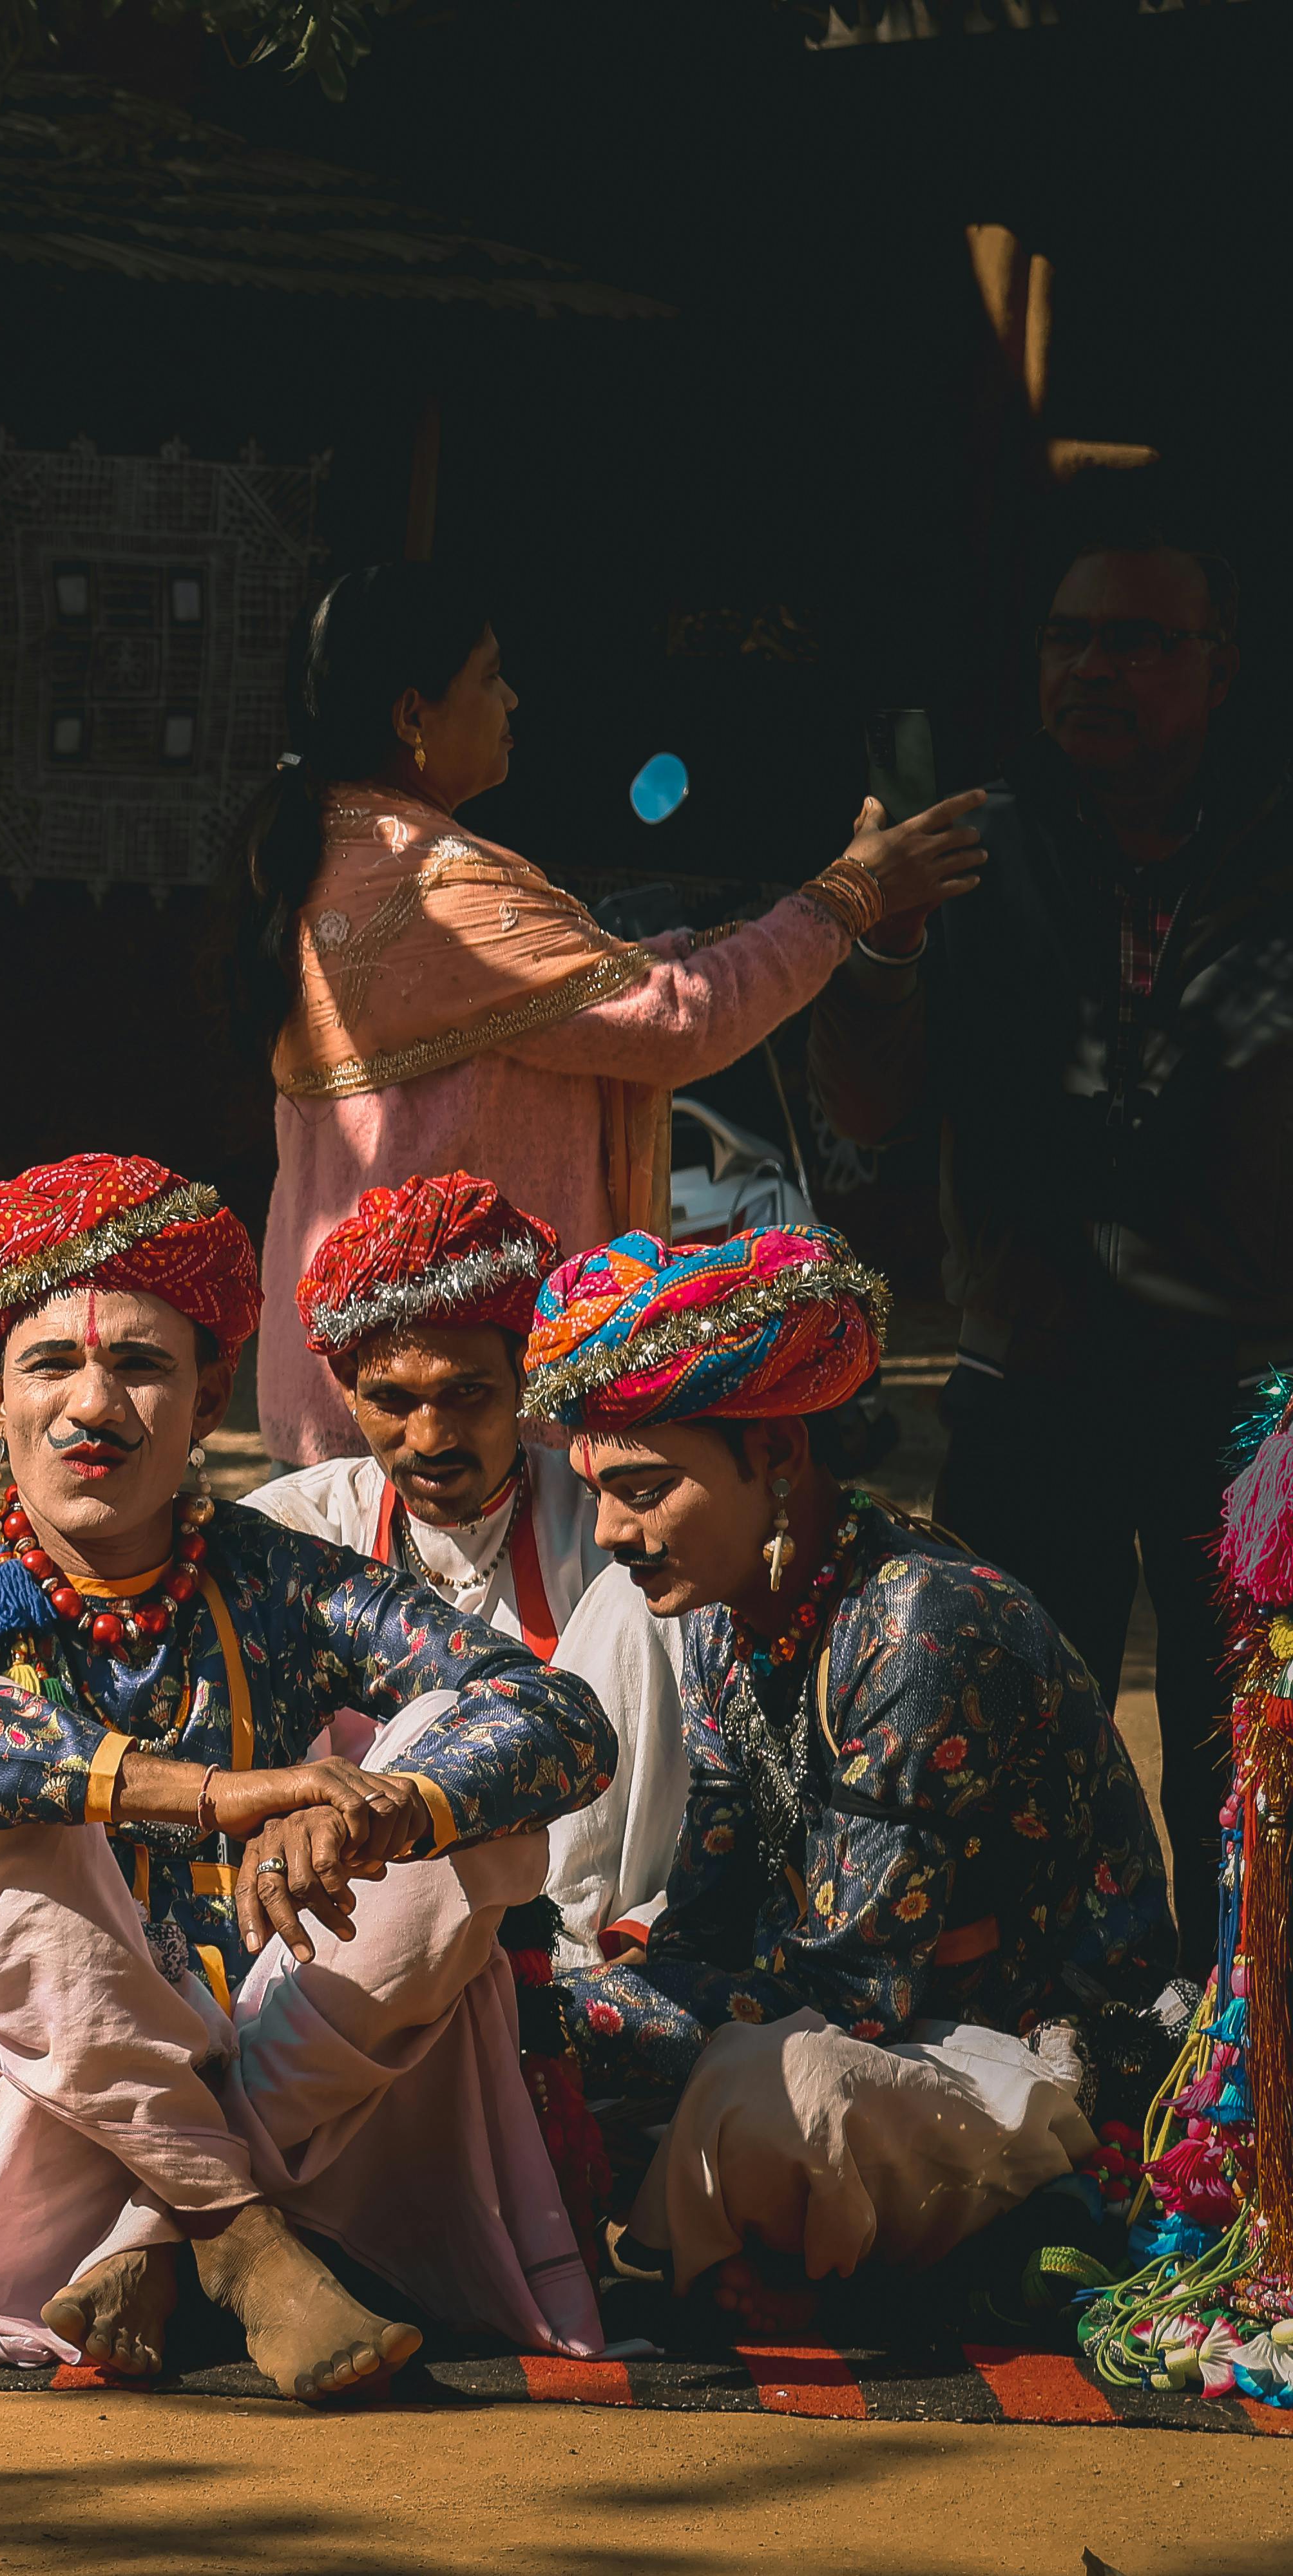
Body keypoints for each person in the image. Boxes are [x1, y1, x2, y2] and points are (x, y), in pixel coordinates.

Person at [0, 1153, 618, 2397]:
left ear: (210, 1395)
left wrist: (387, 1807)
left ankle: (166, 2234)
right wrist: (197, 1793)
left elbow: (556, 1715)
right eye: (51, 1368)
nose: (94, 1407)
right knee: (0, 1822)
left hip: (277, 2059)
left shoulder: (278, 1578)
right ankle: (236, 2237)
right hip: (9, 2097)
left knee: (463, 1815)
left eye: (139, 1366)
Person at [528, 1225, 1175, 2324]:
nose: (610, 1532)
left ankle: (1011, 2237)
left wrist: (569, 2017)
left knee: (767, 2093)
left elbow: (853, 1999)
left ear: (778, 1455)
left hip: (1036, 2076)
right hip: (858, 2025)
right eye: (595, 1491)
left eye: (642, 1489)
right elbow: (708, 1928)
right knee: (537, 2039)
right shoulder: (726, 1626)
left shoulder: (923, 1629)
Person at [808, 524, 1288, 1960]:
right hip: (1038, 1379)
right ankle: (1049, 2052)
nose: (1095, 667)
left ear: (1221, 664)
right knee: (1017, 1736)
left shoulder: (1279, 845)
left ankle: (1234, 2088)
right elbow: (871, 1107)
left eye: (1138, 641)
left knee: (1248, 1765)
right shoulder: (973, 847)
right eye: (1070, 638)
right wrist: (881, 936)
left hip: (1253, 1389)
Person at [240, 561, 991, 1468]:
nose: (512, 699)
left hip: (351, 1391)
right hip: (440, 1416)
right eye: (488, 676)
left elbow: (610, 988)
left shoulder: (329, 853)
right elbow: (678, 1020)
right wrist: (851, 898)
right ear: (412, 718)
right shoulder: (431, 887)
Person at [243, 1171, 687, 1960]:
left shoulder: (603, 1531)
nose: (430, 1437)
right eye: (391, 1400)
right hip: (356, 1942)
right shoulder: (293, 1530)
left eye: (467, 1393)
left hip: (571, 1928)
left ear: (525, 1378)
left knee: (633, 1600)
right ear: (346, 1393)